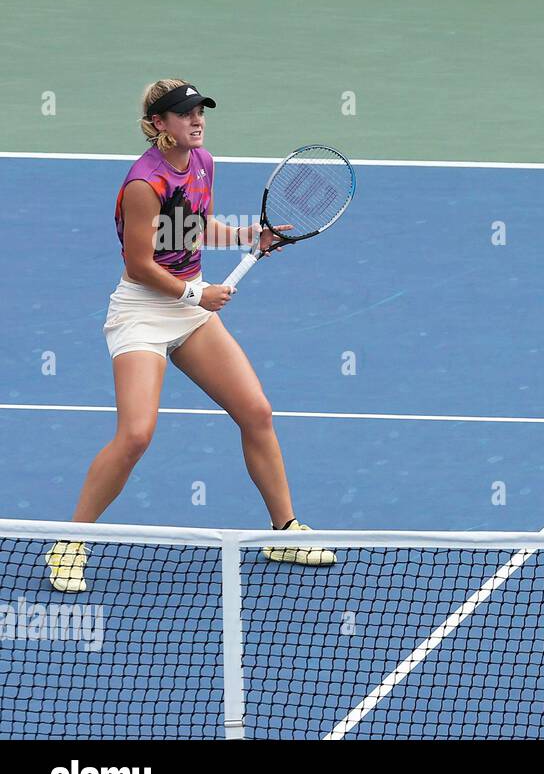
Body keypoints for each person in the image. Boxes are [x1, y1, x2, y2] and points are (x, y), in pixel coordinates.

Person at [46, 79, 333, 593]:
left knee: (256, 412)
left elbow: (192, 227)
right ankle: (69, 543)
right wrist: (195, 295)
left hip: (188, 305)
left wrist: (247, 235)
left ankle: (285, 531)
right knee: (136, 435)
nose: (197, 121)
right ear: (159, 124)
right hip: (143, 312)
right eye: (185, 114)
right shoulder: (144, 183)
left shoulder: (203, 162)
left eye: (200, 112)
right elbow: (139, 265)